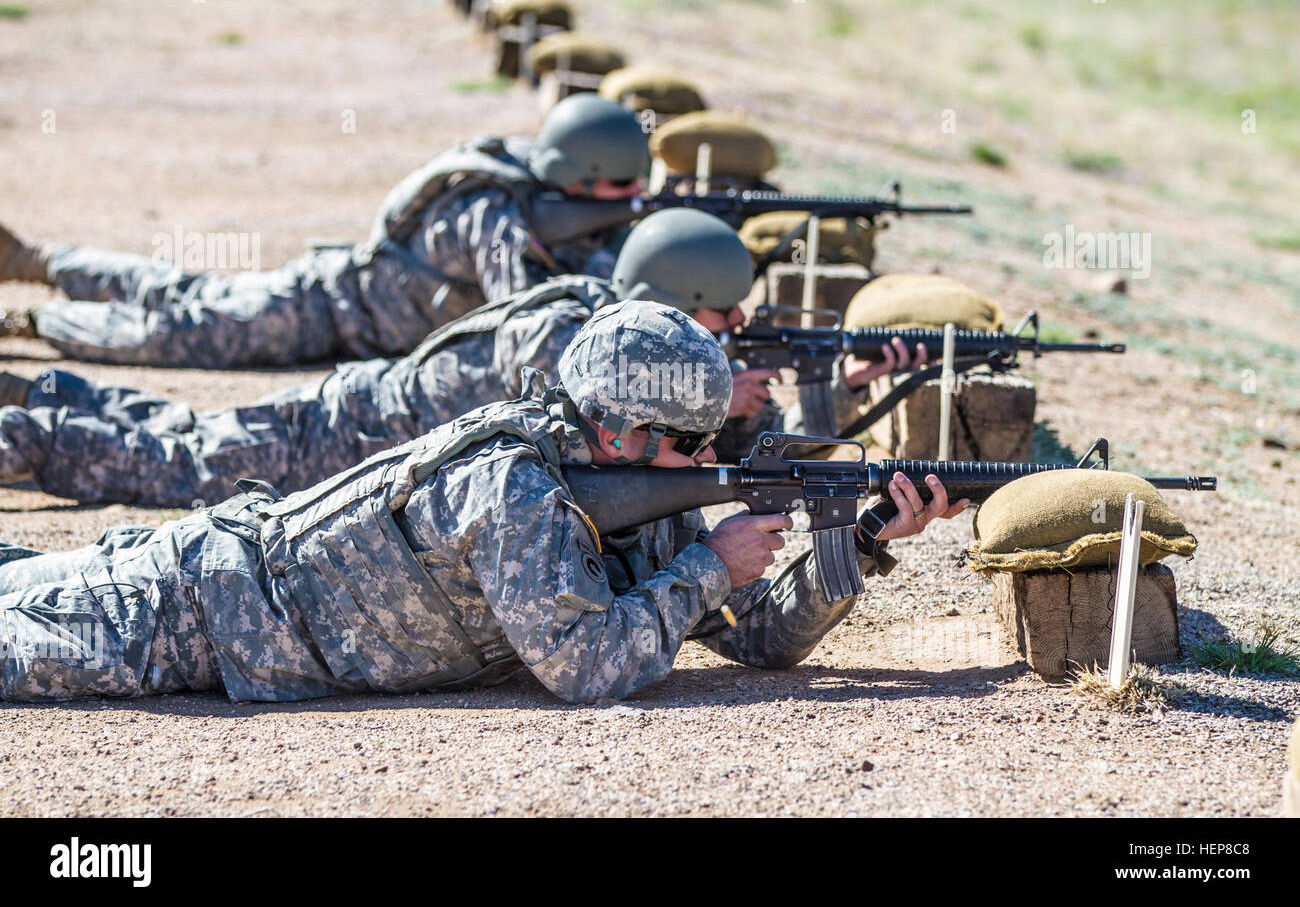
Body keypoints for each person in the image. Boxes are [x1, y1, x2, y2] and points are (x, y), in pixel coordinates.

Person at [0, 301, 967, 705]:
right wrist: (708, 564)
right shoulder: (514, 485)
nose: (708, 457)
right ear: (623, 432)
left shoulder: (627, 477)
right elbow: (585, 666)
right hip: (187, 611)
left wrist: (867, 537)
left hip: (220, 602)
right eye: (689, 443)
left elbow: (754, 639)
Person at [0, 211, 925, 506]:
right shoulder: (578, 344)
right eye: (724, 315)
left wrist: (827, 393)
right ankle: (23, 430)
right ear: (682, 303)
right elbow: (600, 461)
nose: (733, 326)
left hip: (358, 422)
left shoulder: (613, 326)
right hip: (337, 440)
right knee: (167, 462)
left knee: (176, 433)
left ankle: (35, 392)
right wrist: (744, 408)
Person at [0, 94, 647, 368]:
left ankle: (43, 261)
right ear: (580, 174)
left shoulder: (547, 203)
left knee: (182, 294)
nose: (634, 198)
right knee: (179, 330)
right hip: (323, 310)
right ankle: (30, 317)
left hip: (342, 308)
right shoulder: (491, 209)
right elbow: (521, 310)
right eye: (624, 188)